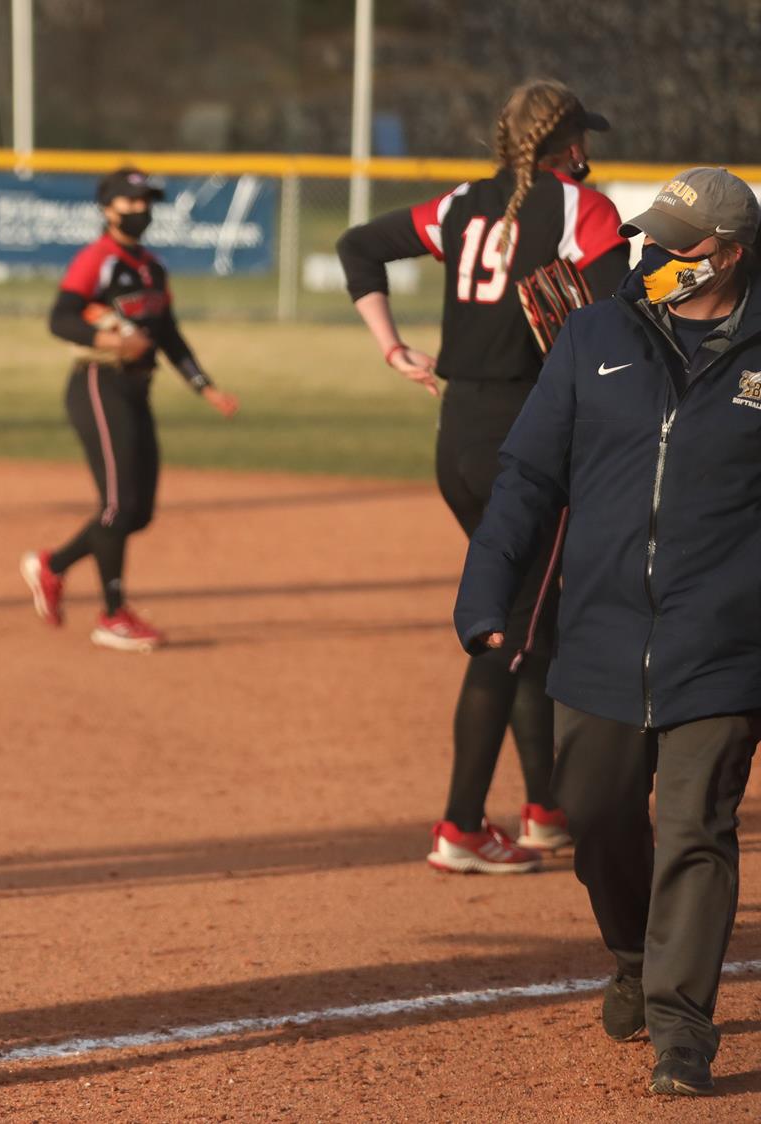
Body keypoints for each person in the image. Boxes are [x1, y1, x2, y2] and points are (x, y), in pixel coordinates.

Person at [457, 167, 761, 1098]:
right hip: (598, 636)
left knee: (696, 831)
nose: (655, 257)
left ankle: (681, 1026)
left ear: (732, 254)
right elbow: (526, 482)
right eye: (651, 239)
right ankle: (630, 953)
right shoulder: (593, 336)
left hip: (724, 642)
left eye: (679, 246)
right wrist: (487, 599)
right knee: (594, 822)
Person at [336, 79, 627, 875]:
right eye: (582, 140)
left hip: (458, 433)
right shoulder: (577, 209)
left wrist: (392, 348)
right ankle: (461, 826)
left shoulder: (463, 203)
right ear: (567, 143)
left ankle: (546, 808)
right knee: (510, 628)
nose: (587, 153)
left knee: (534, 617)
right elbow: (622, 319)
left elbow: (358, 245)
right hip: (530, 439)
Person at [18, 167, 239, 653]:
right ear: (107, 207)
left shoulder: (151, 267)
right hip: (99, 384)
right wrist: (110, 339)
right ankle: (113, 615)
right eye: (131, 201)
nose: (141, 210)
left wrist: (204, 386)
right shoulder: (97, 259)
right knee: (118, 507)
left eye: (147, 202)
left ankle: (52, 566)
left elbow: (168, 334)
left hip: (137, 391)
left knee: (138, 512)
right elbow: (61, 317)